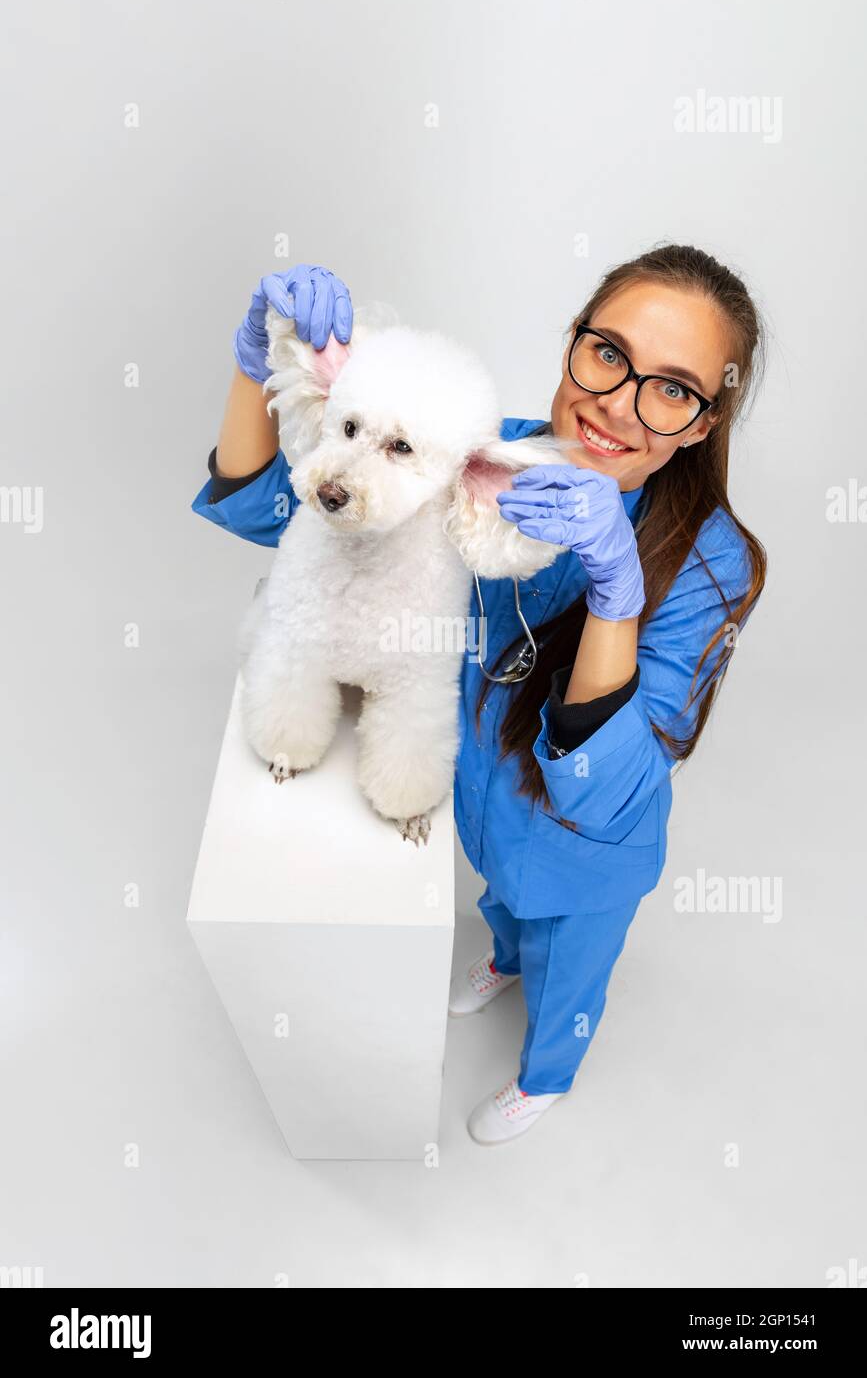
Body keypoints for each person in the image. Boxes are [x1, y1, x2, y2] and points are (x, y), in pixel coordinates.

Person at [192, 247, 767, 1147]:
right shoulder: (484, 453)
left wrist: (616, 590)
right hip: (481, 797)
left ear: (700, 423)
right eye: (607, 353)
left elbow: (611, 782)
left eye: (671, 390)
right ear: (574, 342)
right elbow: (286, 507)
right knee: (499, 899)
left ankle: (547, 1077)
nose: (617, 402)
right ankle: (500, 958)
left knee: (565, 962)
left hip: (587, 849)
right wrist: (258, 366)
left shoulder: (714, 563)